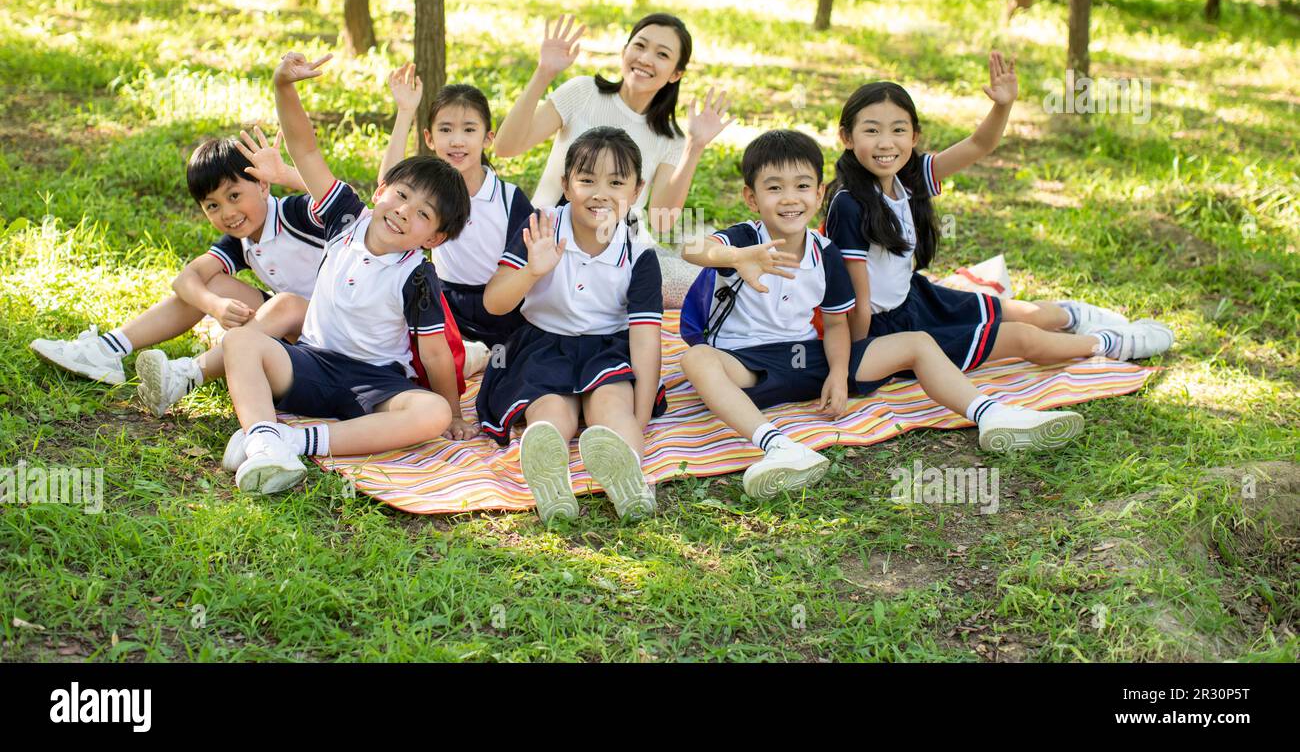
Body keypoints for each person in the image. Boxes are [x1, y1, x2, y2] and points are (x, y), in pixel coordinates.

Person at [681, 130, 1090, 501]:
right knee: (695, 358)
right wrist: (735, 258)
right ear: (752, 198)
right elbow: (692, 249)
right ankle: (780, 448)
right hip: (747, 367)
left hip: (809, 360)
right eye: (774, 188)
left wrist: (839, 375)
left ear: (819, 194)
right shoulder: (742, 240)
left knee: (917, 343)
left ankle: (994, 416)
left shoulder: (825, 254)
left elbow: (838, 324)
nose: (790, 198)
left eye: (802, 186)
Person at [220, 51, 473, 495]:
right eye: (401, 196)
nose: (402, 213)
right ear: (380, 191)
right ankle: (261, 438)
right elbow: (305, 149)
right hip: (309, 364)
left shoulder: (417, 275)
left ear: (433, 239)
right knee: (240, 341)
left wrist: (452, 413)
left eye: (422, 214)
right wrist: (284, 86)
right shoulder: (345, 219)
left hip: (374, 385)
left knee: (429, 413)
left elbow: (434, 355)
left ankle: (291, 440)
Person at [824, 53, 1175, 372]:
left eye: (898, 130)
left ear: (915, 136)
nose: (886, 143)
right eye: (871, 130)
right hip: (885, 327)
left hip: (915, 299)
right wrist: (855, 359)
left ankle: (1074, 315)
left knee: (1017, 311)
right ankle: (1111, 344)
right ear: (847, 137)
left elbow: (979, 145)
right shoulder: (849, 202)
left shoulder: (908, 178)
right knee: (1021, 338)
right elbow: (859, 299)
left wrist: (1003, 106)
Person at [30, 131, 319, 416]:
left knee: (286, 304)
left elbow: (341, 200)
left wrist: (288, 175)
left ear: (263, 185)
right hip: (300, 337)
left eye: (234, 195)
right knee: (213, 285)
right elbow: (185, 279)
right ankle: (108, 349)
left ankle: (187, 375)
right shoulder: (241, 241)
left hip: (342, 332)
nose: (228, 213)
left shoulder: (298, 215)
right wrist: (215, 306)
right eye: (213, 206)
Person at [476, 127, 667, 525]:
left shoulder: (639, 251)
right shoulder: (540, 226)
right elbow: (494, 303)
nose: (600, 193)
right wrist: (532, 271)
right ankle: (552, 479)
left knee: (610, 404)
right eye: (586, 180)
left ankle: (631, 476)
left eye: (616, 182)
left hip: (606, 347)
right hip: (542, 343)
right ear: (565, 184)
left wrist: (640, 420)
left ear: (636, 190)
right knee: (550, 411)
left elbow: (646, 339)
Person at [492, 13, 732, 305]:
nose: (645, 58)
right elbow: (505, 147)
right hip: (554, 237)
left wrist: (695, 147)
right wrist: (544, 73)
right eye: (640, 46)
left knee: (705, 284)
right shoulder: (583, 93)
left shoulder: (670, 138)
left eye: (662, 54)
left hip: (618, 247)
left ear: (676, 74)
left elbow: (664, 216)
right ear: (625, 51)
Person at [380, 66, 533, 352]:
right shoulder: (429, 192)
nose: (457, 141)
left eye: (469, 130)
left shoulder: (508, 198)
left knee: (506, 365)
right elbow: (388, 186)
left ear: (488, 137)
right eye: (446, 129)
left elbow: (523, 267)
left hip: (500, 306)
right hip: (444, 305)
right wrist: (404, 112)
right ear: (429, 138)